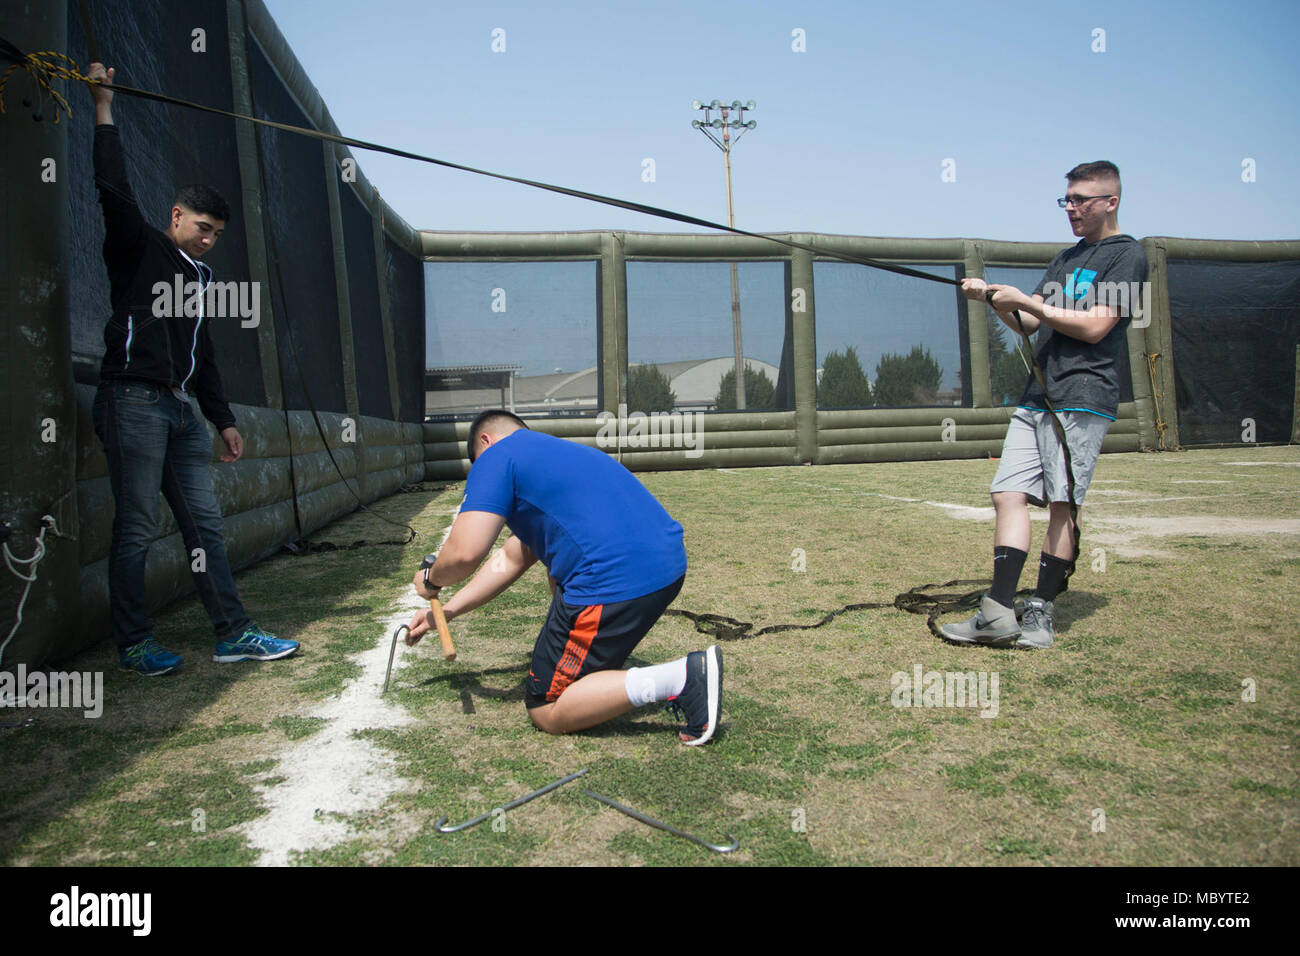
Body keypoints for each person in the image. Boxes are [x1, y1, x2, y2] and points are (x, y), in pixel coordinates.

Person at [88, 62, 298, 675]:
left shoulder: (200, 279)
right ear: (176, 216)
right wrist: (104, 109)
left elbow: (201, 353)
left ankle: (233, 633)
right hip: (130, 402)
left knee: (205, 525)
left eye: (216, 235)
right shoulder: (139, 246)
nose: (208, 240)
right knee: (134, 528)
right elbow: (112, 191)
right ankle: (133, 643)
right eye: (201, 228)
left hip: (180, 411)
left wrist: (223, 419)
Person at [404, 410, 722, 744]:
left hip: (614, 582)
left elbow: (464, 554)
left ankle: (680, 678)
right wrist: (448, 612)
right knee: (572, 636)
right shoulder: (562, 454)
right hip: (667, 568)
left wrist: (432, 578)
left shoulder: (497, 455)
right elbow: (511, 558)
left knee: (547, 706)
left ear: (486, 441)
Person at [942, 161, 1148, 649]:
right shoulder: (1065, 258)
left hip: (1083, 397)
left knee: (1061, 504)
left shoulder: (1128, 256)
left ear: (1111, 202)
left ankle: (1041, 609)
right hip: (1038, 395)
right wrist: (996, 301)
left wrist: (1027, 302)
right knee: (1006, 493)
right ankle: (996, 612)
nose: (1072, 209)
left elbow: (1097, 326)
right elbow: (1031, 326)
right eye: (1068, 200)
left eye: (1082, 200)